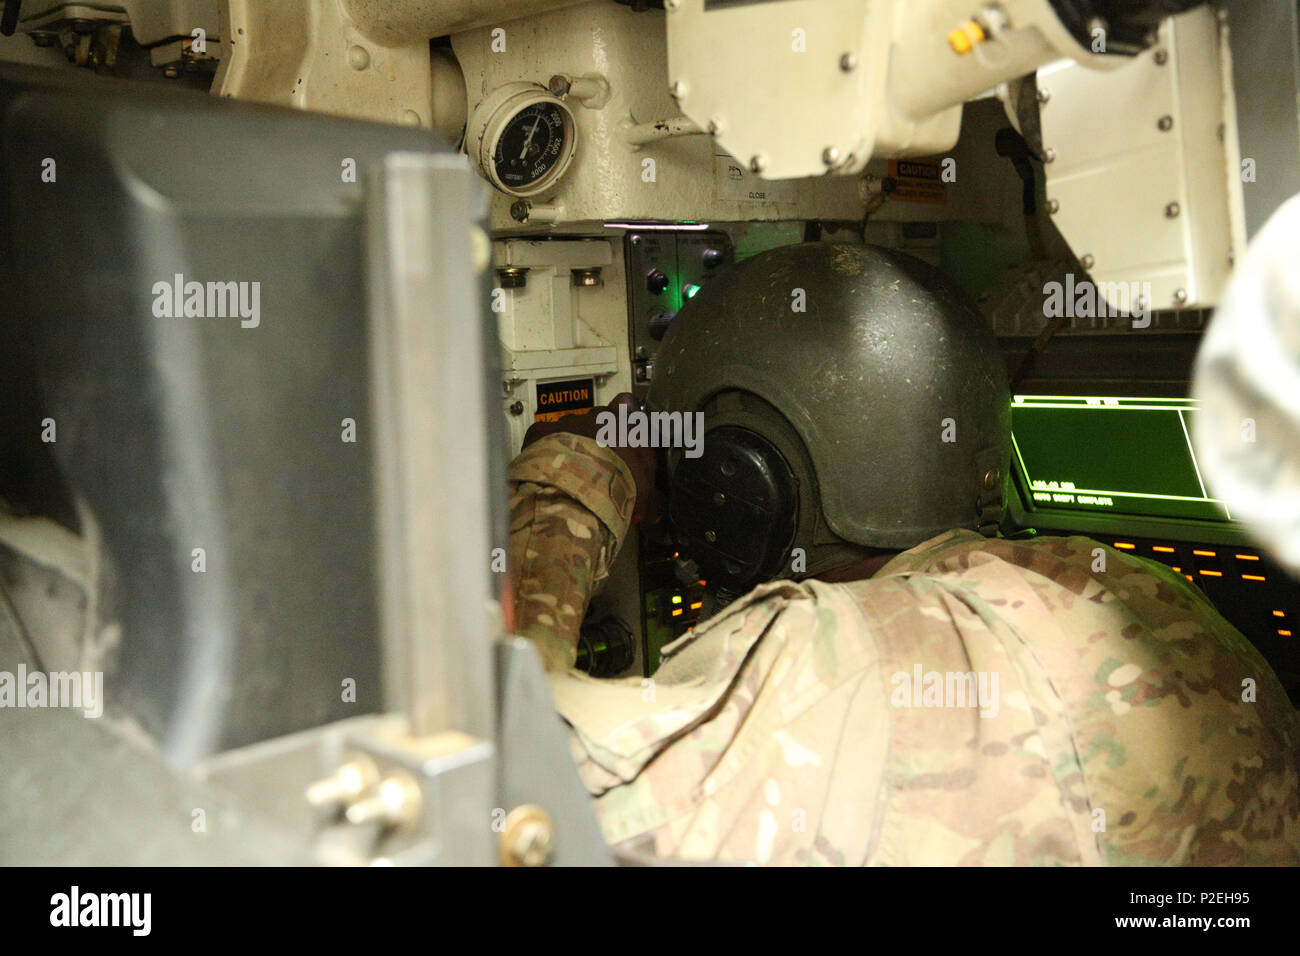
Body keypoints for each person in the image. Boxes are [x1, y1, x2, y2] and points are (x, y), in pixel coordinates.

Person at [506, 241, 1300, 866]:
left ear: (742, 479)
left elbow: (521, 796)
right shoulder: (1148, 596)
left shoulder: (825, 660)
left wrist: (573, 483)